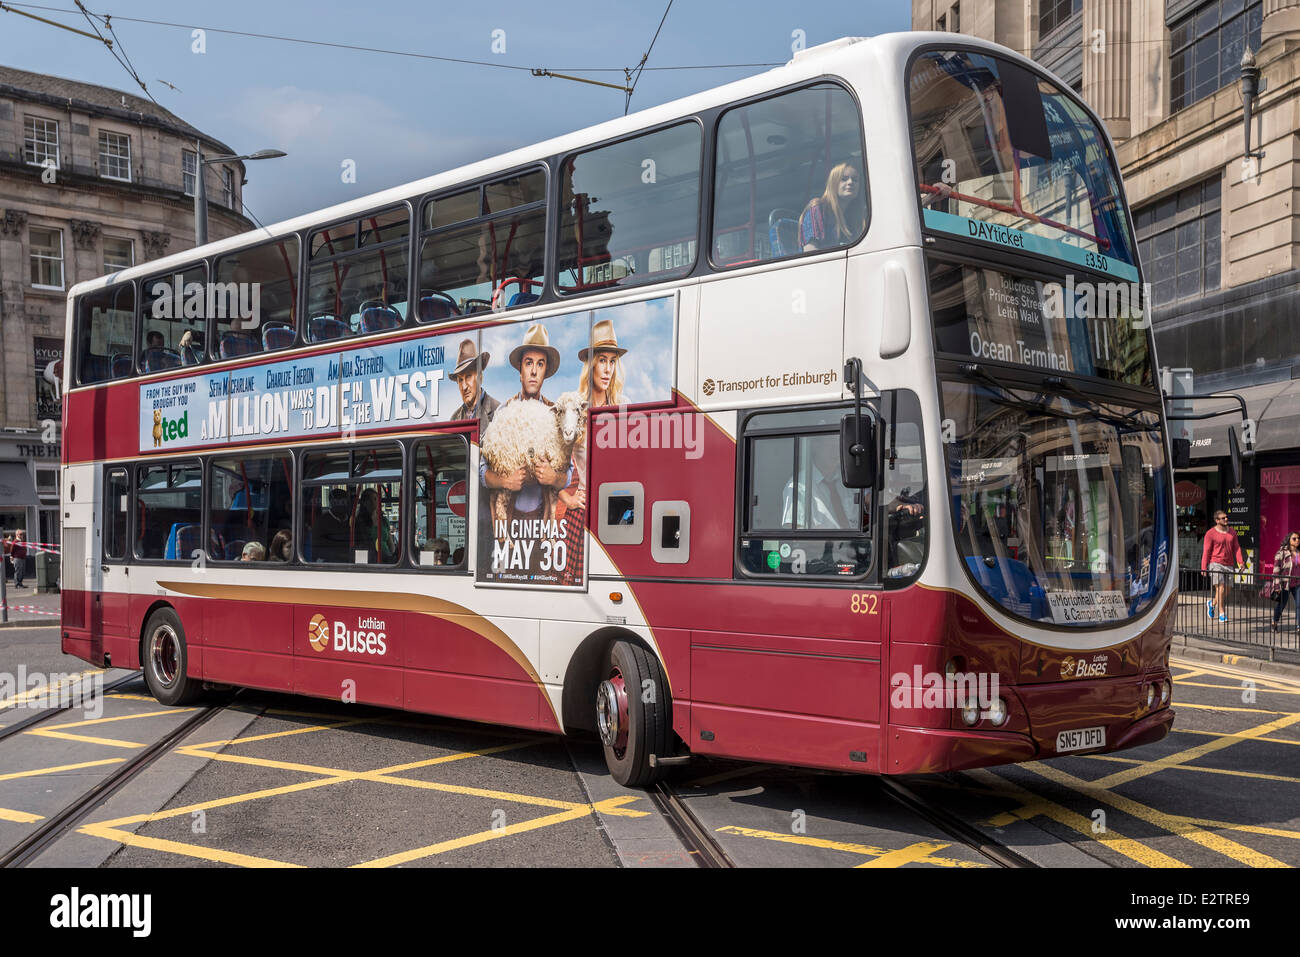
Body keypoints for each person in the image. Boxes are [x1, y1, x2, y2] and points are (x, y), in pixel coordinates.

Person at [558, 319, 627, 586]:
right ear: (591, 365)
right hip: (583, 513)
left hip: (621, 510)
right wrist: (568, 497)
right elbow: (552, 467)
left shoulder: (625, 406)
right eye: (602, 360)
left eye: (612, 361)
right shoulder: (574, 407)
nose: (608, 369)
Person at [480, 324, 573, 516]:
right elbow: (482, 472)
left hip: (544, 522)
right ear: (520, 370)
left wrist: (554, 477)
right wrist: (505, 481)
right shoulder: (504, 413)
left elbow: (568, 472)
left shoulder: (556, 414)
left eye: (540, 364)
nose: (533, 371)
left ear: (545, 372)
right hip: (510, 522)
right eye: (529, 363)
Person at [799, 162, 866, 252]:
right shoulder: (818, 208)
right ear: (833, 184)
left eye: (855, 180)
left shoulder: (856, 216)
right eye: (844, 179)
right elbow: (810, 251)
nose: (850, 182)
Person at [1202, 510, 1245, 623]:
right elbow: (1206, 551)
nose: (1226, 519)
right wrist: (1203, 567)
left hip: (1229, 564)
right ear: (1217, 520)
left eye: (1226, 517)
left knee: (1227, 589)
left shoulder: (1232, 532)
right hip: (1215, 563)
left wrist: (1241, 562)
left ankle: (1212, 603)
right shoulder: (1210, 533)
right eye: (1223, 518)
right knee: (1220, 588)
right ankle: (1222, 612)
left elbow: (1237, 548)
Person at [449, 339, 499, 425]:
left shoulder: (498, 411)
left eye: (468, 376)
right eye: (460, 380)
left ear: (480, 377)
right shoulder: (454, 418)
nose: (464, 387)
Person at [310, 488, 352, 563]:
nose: (344, 505)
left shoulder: (351, 520)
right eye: (341, 502)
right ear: (332, 503)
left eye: (346, 501)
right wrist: (340, 555)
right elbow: (317, 549)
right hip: (329, 563)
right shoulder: (321, 522)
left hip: (350, 561)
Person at [1270, 531, 1300, 633]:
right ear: (1289, 540)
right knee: (1282, 605)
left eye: (1298, 538)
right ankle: (1274, 621)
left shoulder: (1299, 553)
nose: (1297, 540)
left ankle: (1299, 627)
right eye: (1294, 538)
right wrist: (1277, 586)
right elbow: (1276, 570)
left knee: (1299, 604)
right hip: (1285, 583)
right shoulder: (1282, 553)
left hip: (1297, 584)